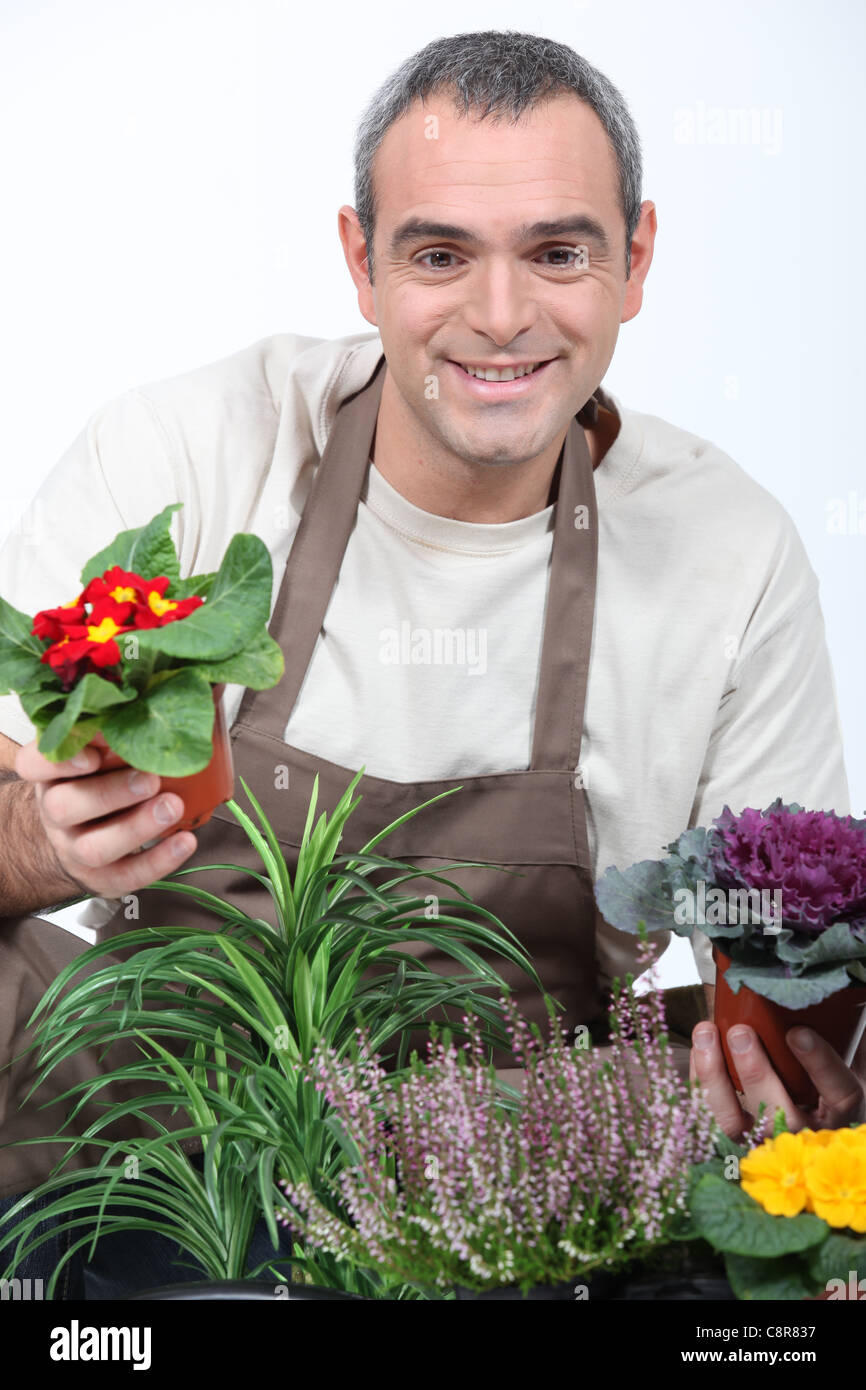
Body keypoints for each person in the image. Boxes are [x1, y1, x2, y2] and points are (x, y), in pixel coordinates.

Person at [0, 30, 862, 1294]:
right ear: (360, 261)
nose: (499, 316)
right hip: (154, 1106)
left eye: (557, 252)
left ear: (636, 260)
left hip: (517, 1146)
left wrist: (794, 1037)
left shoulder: (726, 549)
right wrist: (48, 842)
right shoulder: (185, 449)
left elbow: (789, 928)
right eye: (439, 253)